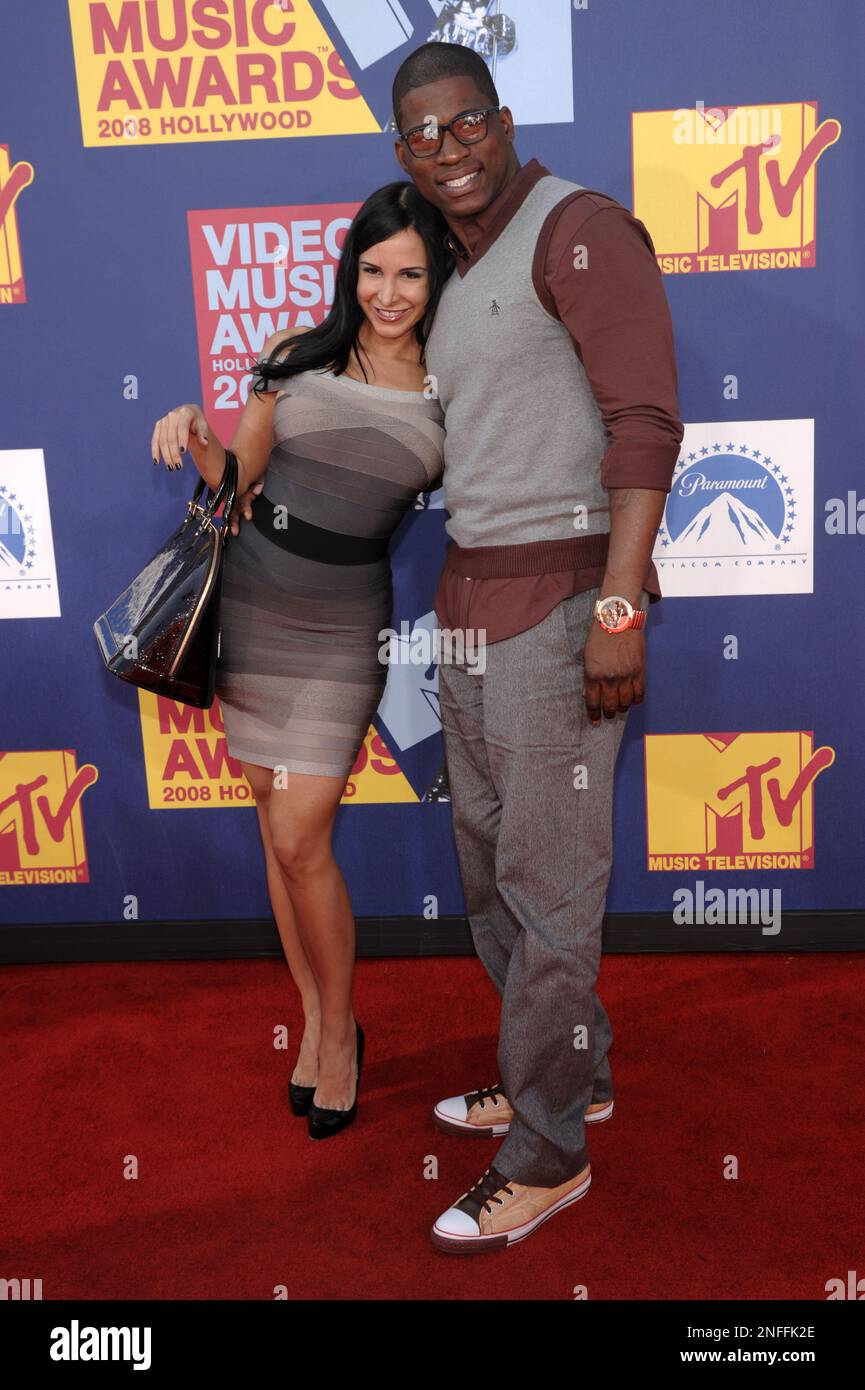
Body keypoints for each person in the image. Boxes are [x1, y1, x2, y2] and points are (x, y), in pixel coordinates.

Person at [390, 43, 685, 1251]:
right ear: (402, 154)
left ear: (501, 120)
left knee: (550, 888)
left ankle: (548, 1153)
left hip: (565, 602)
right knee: (492, 876)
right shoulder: (455, 274)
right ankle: (569, 1071)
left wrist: (619, 610)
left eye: (465, 126)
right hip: (468, 604)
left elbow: (645, 421)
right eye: (423, 137)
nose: (449, 151)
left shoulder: (579, 229)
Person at [150, 182, 450, 1139]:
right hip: (254, 606)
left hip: (341, 627)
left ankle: (340, 1022)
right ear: (349, 271)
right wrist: (195, 429)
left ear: (438, 275)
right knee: (275, 834)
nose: (389, 291)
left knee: (298, 836)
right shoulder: (293, 357)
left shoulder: (454, 385)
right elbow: (234, 488)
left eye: (411, 271)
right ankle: (324, 1025)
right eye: (373, 270)